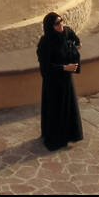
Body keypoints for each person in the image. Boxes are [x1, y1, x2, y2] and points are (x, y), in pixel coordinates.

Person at [36, 12, 83, 152]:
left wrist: (73, 50)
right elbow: (45, 67)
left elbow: (77, 41)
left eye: (61, 21)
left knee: (68, 107)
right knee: (55, 110)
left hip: (66, 80)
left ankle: (70, 135)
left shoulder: (67, 32)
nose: (61, 25)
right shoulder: (45, 43)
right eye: (57, 23)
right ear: (50, 26)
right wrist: (64, 67)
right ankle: (56, 140)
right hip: (53, 83)